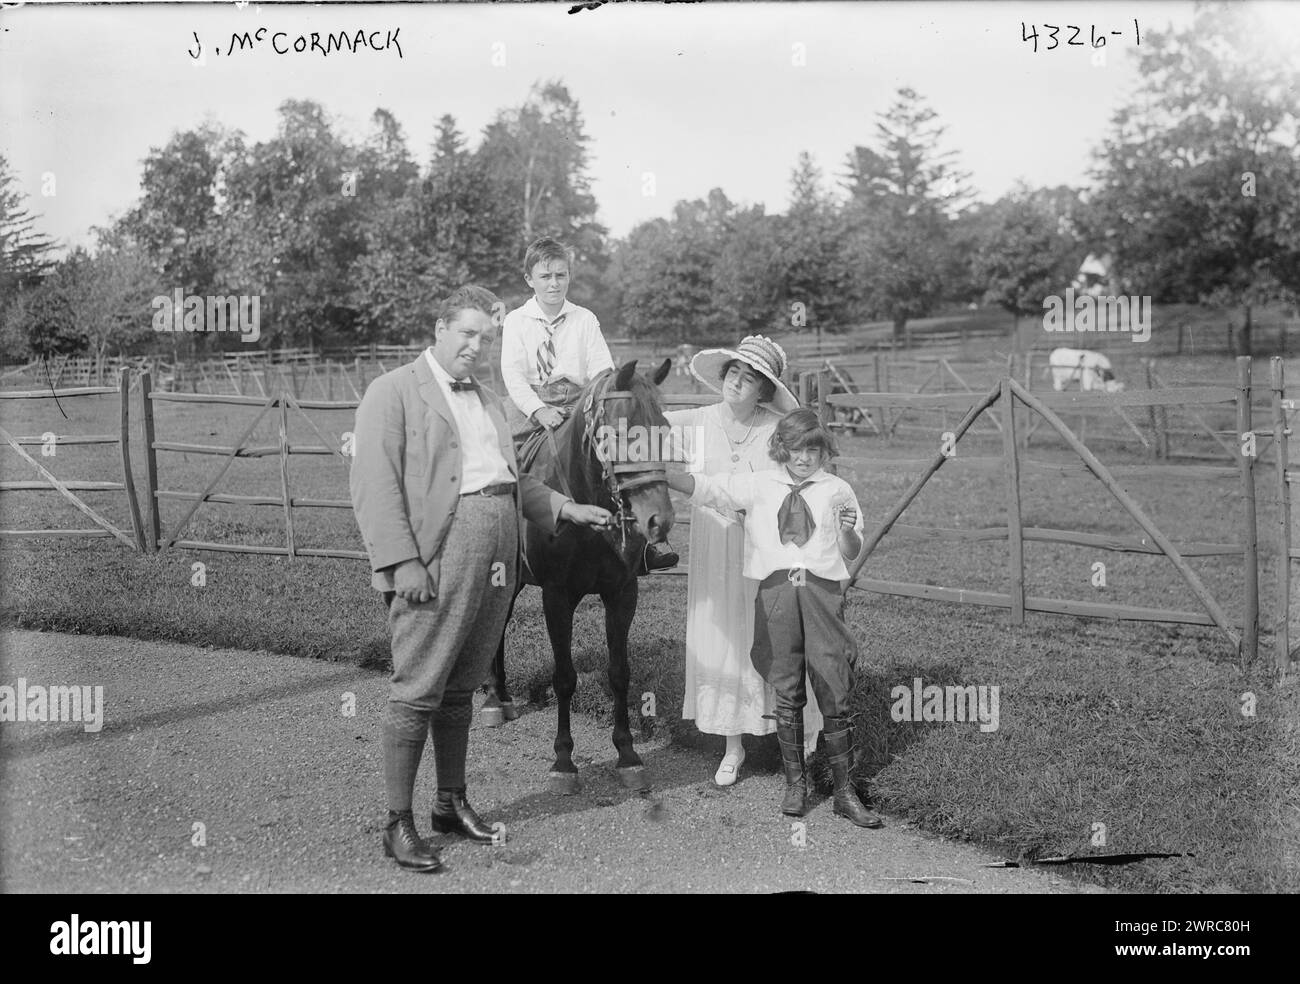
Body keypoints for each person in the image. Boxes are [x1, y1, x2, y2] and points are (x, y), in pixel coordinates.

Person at [350, 284, 614, 873]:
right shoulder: (392, 393)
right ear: (440, 328)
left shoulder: (492, 400)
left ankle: (449, 802)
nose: (476, 346)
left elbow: (515, 481)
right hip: (439, 555)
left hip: (499, 554)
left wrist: (569, 509)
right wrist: (402, 564)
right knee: (419, 685)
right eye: (466, 333)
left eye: (485, 338)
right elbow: (374, 487)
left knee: (463, 685)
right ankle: (398, 822)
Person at [666, 408, 883, 828]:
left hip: (821, 593)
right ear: (781, 448)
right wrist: (662, 477)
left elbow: (852, 551)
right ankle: (794, 783)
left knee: (832, 680)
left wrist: (846, 532)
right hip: (777, 591)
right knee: (785, 682)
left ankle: (844, 791)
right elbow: (711, 489)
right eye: (797, 449)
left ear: (825, 451)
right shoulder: (761, 485)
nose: (805, 458)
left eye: (814, 450)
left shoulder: (838, 490)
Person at [664, 336, 823, 787]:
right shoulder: (695, 422)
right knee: (723, 635)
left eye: (749, 378)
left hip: (764, 549)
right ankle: (732, 747)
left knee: (770, 633)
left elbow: (807, 478)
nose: (737, 382)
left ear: (764, 390)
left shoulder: (776, 429)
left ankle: (796, 737)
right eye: (733, 372)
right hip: (714, 545)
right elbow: (636, 427)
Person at [500, 235, 676, 572]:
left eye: (561, 275)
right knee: (505, 456)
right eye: (545, 276)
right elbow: (513, 373)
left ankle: (642, 544)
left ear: (569, 276)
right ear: (529, 279)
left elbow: (601, 370)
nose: (554, 283)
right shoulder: (516, 321)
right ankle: (508, 539)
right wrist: (538, 410)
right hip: (531, 399)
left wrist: (598, 401)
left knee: (621, 452)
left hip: (581, 400)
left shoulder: (584, 318)